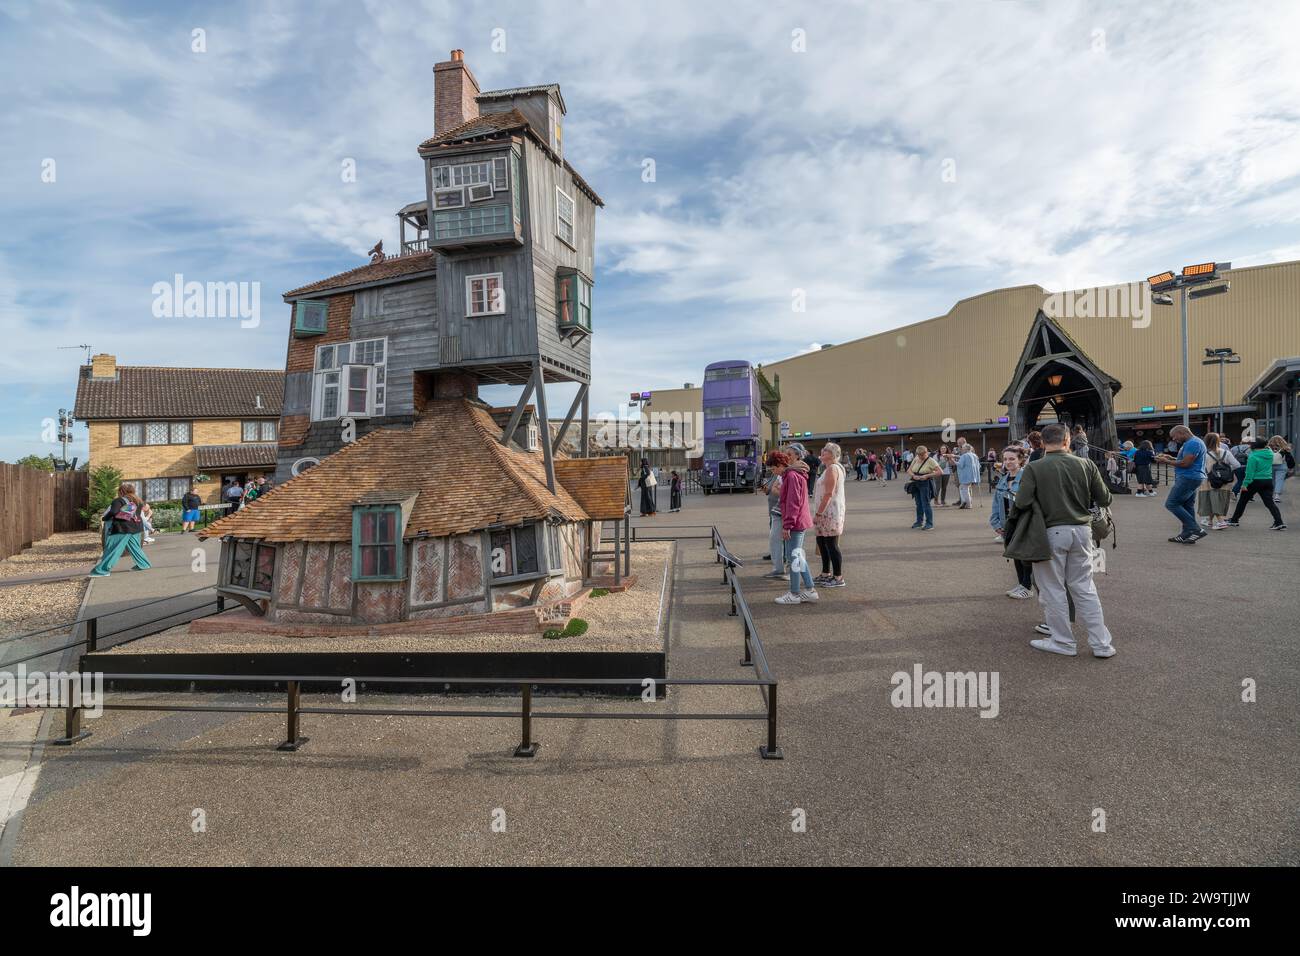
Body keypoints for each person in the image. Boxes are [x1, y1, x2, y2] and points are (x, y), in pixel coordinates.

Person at [1011, 423, 1115, 658]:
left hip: (1050, 532)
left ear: (1041, 443)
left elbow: (1022, 502)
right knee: (1085, 587)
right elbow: (1105, 498)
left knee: (1052, 589)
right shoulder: (1086, 464)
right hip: (1082, 531)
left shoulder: (1035, 468)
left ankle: (1063, 641)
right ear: (1068, 440)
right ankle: (1102, 644)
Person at [990, 445, 1033, 599]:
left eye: (1012, 459)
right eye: (1006, 459)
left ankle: (1027, 586)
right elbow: (996, 503)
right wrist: (996, 523)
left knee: (1024, 555)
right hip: (1007, 523)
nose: (1008, 462)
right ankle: (1021, 584)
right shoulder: (1003, 479)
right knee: (1014, 553)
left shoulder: (1027, 478)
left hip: (1023, 523)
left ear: (1020, 460)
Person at [775, 452, 817, 605]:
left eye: (774, 469)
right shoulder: (796, 474)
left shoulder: (791, 476)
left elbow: (792, 503)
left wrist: (787, 525)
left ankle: (794, 593)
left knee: (794, 557)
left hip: (795, 522)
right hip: (800, 521)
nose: (774, 473)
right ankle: (810, 589)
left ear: (780, 466)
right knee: (797, 556)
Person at [1156, 424, 1206, 544]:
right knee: (1187, 506)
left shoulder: (1192, 443)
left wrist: (1166, 461)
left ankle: (1195, 529)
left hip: (1188, 478)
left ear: (1182, 432)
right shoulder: (1192, 442)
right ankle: (1187, 534)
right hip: (1192, 477)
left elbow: (1185, 464)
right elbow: (1184, 460)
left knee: (1171, 504)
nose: (1174, 439)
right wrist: (1170, 457)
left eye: (1174, 436)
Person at [90, 483, 153, 577]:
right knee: (135, 548)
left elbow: (113, 512)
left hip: (122, 528)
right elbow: (138, 515)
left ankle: (102, 570)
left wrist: (104, 518)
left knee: (112, 548)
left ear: (121, 491)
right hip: (136, 528)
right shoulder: (138, 501)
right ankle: (144, 564)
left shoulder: (118, 500)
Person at [1226, 439, 1286, 529]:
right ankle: (1279, 522)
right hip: (1268, 480)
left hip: (1255, 481)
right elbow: (1268, 448)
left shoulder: (1253, 456)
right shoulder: (1269, 453)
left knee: (1242, 501)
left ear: (1254, 445)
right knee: (1270, 503)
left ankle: (1234, 520)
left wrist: (1245, 484)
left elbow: (1250, 472)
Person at [813, 442, 846, 588]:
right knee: (822, 543)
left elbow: (829, 494)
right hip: (825, 512)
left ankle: (838, 577)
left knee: (831, 544)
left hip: (829, 513)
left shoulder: (833, 468)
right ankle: (826, 573)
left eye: (825, 451)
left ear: (832, 455)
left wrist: (819, 513)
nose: (822, 452)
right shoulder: (827, 468)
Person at [1197, 433, 1239, 530]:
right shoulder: (1226, 453)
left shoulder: (1204, 454)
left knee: (1211, 501)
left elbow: (1200, 468)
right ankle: (1210, 521)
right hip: (1224, 482)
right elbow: (1237, 465)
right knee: (1216, 501)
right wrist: (1225, 470)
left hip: (1209, 481)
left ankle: (1221, 522)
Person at [760, 452, 788, 578]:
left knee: (788, 544)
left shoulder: (788, 475)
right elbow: (774, 488)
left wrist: (775, 489)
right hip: (776, 511)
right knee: (774, 539)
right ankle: (779, 568)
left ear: (780, 465)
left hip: (783, 513)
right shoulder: (779, 475)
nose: (772, 470)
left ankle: (787, 571)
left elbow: (780, 491)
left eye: (774, 468)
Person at [905, 445, 940, 530]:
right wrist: (913, 475)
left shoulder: (931, 460)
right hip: (916, 482)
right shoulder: (916, 458)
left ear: (926, 453)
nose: (920, 457)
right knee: (918, 504)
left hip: (925, 483)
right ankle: (919, 522)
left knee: (926, 503)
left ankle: (929, 523)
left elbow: (940, 472)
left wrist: (927, 475)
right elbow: (909, 470)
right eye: (919, 455)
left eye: (922, 455)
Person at [1268, 436, 1294, 505]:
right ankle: (1277, 496)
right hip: (1282, 466)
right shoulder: (1285, 448)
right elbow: (1289, 458)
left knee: (1272, 480)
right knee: (1279, 480)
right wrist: (1291, 467)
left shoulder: (1268, 447)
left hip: (1270, 466)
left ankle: (1271, 494)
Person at [956, 443, 981, 509]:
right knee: (964, 487)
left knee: (964, 488)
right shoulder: (975, 455)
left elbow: (960, 465)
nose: (962, 449)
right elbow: (979, 465)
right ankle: (965, 502)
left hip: (966, 474)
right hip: (973, 475)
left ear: (965, 449)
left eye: (963, 448)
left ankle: (968, 503)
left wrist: (954, 462)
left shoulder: (964, 456)